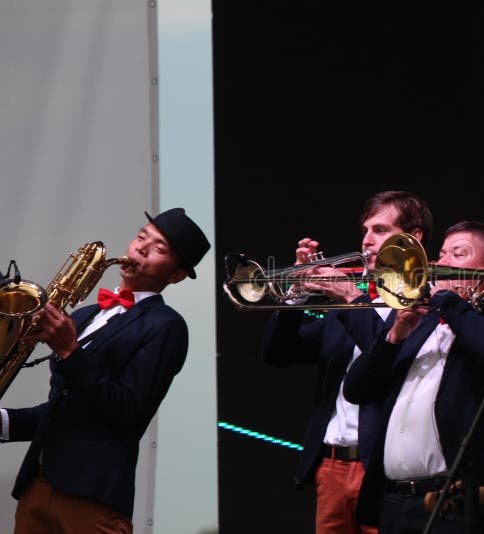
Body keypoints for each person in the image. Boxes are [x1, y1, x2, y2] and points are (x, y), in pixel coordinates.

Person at [0, 207, 210, 534]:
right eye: (142, 236)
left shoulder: (166, 326)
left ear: (176, 275)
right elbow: (67, 409)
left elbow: (126, 410)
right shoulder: (85, 315)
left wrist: (70, 350)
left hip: (92, 498)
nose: (140, 247)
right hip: (36, 490)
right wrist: (5, 422)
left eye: (159, 248)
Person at [260, 190, 433, 534]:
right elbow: (277, 353)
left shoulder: (427, 305)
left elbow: (386, 361)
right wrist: (296, 292)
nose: (367, 242)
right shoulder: (348, 310)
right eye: (366, 230)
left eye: (380, 230)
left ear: (412, 239)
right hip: (332, 466)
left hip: (385, 471)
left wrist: (350, 297)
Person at [343, 220, 484, 533]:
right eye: (442, 254)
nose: (439, 263)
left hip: (458, 501)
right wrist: (393, 338)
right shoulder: (423, 324)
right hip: (395, 501)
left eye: (457, 254)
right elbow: (357, 389)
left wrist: (447, 298)